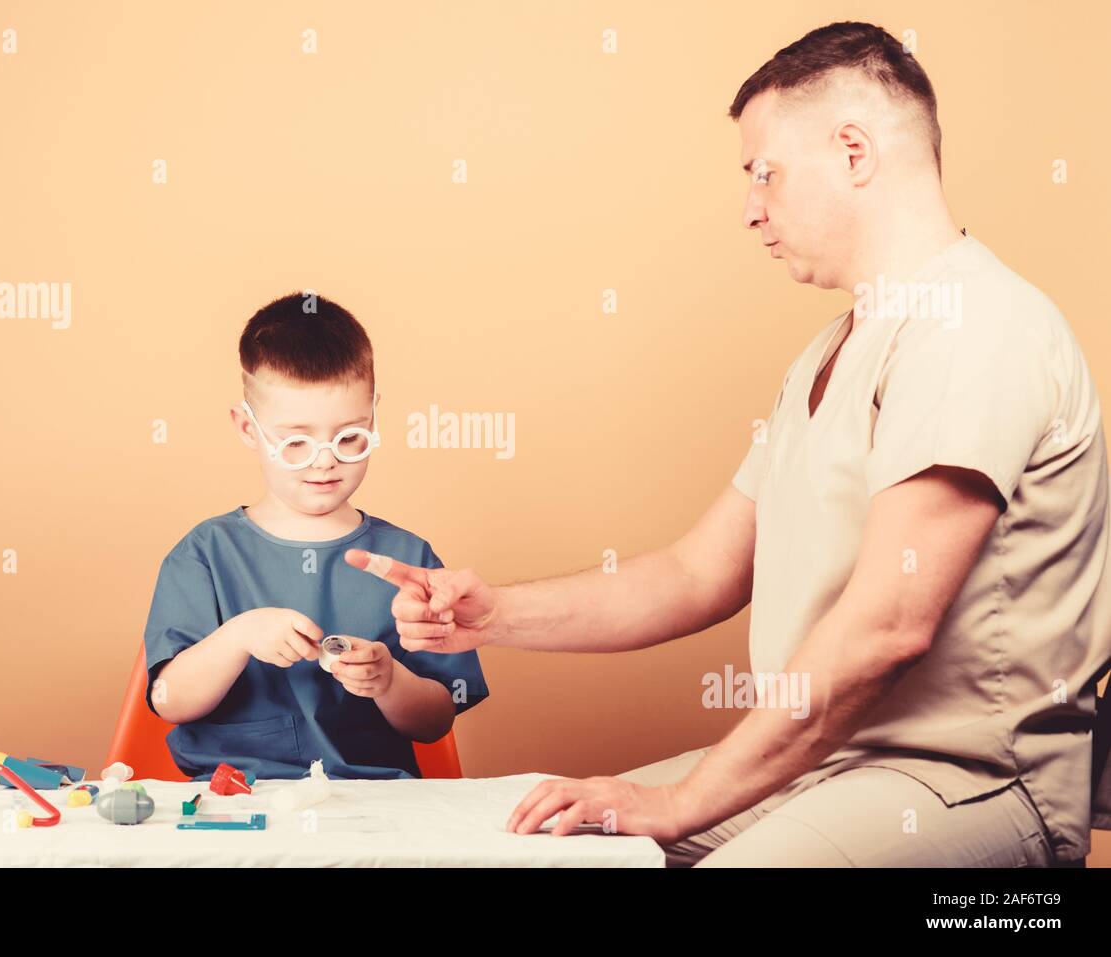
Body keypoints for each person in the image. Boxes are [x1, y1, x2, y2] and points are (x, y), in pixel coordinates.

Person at [348, 21, 1111, 865]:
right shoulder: (830, 352)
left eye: (765, 173)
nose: (751, 208)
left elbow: (889, 624)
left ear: (855, 152)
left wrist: (678, 803)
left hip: (962, 782)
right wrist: (492, 614)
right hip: (822, 761)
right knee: (555, 848)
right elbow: (696, 572)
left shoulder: (977, 327)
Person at [143, 292, 487, 781]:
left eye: (349, 438)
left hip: (374, 805)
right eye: (297, 443)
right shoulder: (204, 555)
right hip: (237, 803)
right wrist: (239, 635)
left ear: (374, 415)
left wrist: (390, 680)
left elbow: (435, 721)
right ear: (248, 428)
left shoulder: (407, 558)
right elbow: (170, 701)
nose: (325, 461)